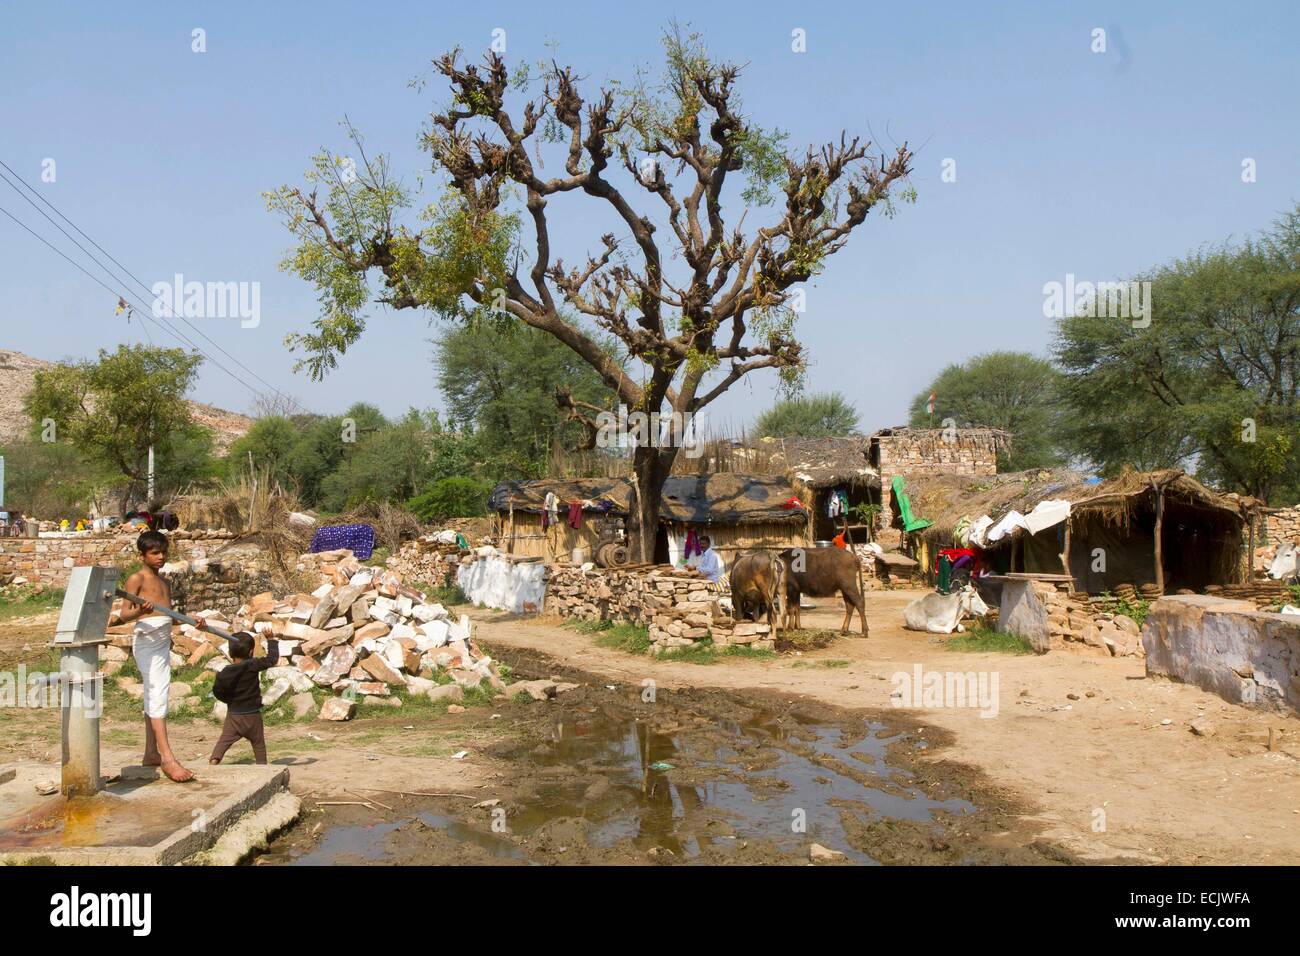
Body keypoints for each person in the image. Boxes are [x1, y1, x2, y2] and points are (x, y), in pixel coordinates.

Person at [109, 529, 198, 782]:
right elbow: (124, 614)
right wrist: (140, 612)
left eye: (163, 552)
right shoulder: (136, 579)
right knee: (158, 693)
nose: (160, 557)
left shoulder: (165, 583)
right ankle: (168, 758)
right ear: (143, 555)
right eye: (154, 553)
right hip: (146, 642)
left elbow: (169, 619)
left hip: (162, 641)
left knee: (154, 692)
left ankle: (151, 753)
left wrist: (194, 623)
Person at [210, 632, 280, 765]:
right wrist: (271, 640)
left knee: (224, 741)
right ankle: (262, 767)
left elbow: (217, 692)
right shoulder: (253, 665)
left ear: (230, 653)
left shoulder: (224, 672)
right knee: (258, 744)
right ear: (251, 651)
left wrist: (229, 700)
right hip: (253, 715)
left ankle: (214, 761)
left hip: (234, 716)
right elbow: (272, 659)